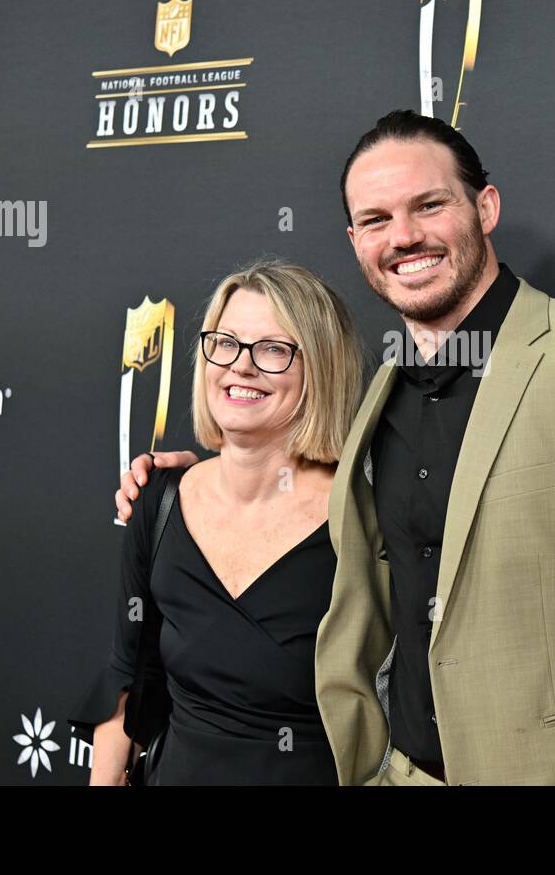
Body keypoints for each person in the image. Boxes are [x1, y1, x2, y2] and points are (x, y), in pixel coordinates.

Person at [118, 110, 555, 785]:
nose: (405, 236)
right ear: (356, 240)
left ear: (486, 206)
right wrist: (197, 479)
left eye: (429, 205)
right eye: (377, 219)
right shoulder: (378, 401)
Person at [72, 261, 363, 784]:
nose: (239, 367)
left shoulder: (361, 517)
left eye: (273, 349)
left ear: (321, 367)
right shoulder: (157, 500)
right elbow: (130, 678)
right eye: (224, 341)